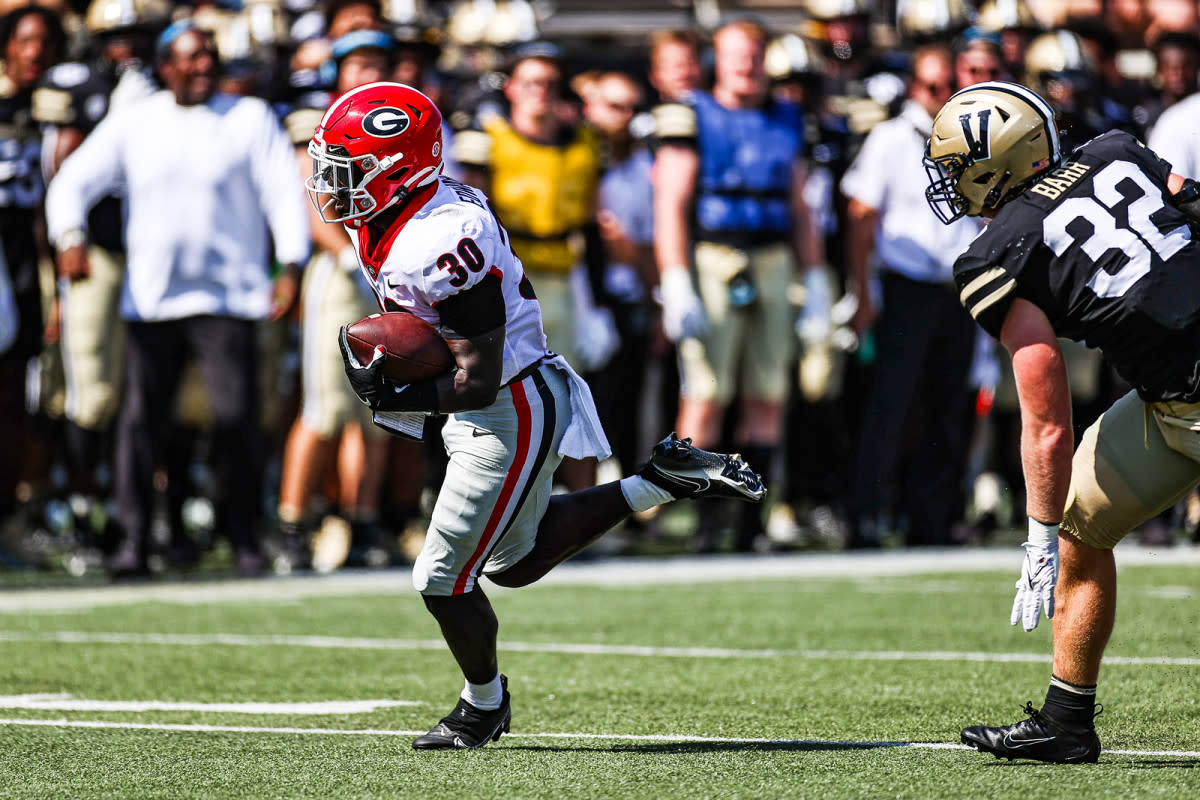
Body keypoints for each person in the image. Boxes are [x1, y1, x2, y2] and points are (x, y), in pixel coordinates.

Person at [307, 81, 765, 750]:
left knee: (440, 577)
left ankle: (480, 707)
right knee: (512, 564)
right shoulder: (406, 213)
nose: (332, 185)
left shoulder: (438, 240)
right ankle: (662, 479)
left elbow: (478, 374)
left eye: (351, 170)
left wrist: (397, 395)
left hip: (510, 404)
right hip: (503, 398)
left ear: (401, 172)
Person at [925, 80, 1200, 763]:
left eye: (958, 170)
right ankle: (1067, 719)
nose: (952, 185)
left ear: (996, 166)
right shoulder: (1115, 149)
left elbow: (1046, 420)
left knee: (1062, 527)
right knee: (1086, 519)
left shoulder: (995, 257)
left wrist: (1035, 538)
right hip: (1170, 400)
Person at [45, 22, 310, 577]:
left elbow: (283, 193)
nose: (203, 65)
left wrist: (290, 265)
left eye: (210, 54)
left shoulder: (249, 118)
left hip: (230, 296)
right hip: (154, 299)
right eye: (190, 57)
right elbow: (72, 182)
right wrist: (69, 237)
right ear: (165, 65)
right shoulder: (135, 122)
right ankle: (133, 542)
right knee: (141, 424)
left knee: (237, 420)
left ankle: (241, 537)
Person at [652, 16, 829, 552]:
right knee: (705, 394)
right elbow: (671, 204)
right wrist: (676, 277)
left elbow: (801, 207)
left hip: (773, 259)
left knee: (767, 394)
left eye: (754, 53)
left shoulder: (787, 118)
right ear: (716, 61)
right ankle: (700, 525)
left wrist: (815, 275)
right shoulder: (691, 113)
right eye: (735, 53)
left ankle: (750, 522)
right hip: (712, 256)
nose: (746, 64)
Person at [841, 43, 983, 548]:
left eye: (950, 83)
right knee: (892, 405)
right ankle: (866, 515)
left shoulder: (974, 136)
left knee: (950, 406)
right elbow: (861, 215)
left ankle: (934, 518)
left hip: (959, 287)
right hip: (906, 285)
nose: (942, 94)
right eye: (931, 85)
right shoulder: (891, 137)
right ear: (913, 88)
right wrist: (862, 291)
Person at [0, 5, 64, 548]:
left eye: (44, 42)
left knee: (23, 393)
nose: (34, 53)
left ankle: (15, 511)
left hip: (29, 258)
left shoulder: (58, 109)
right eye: (24, 41)